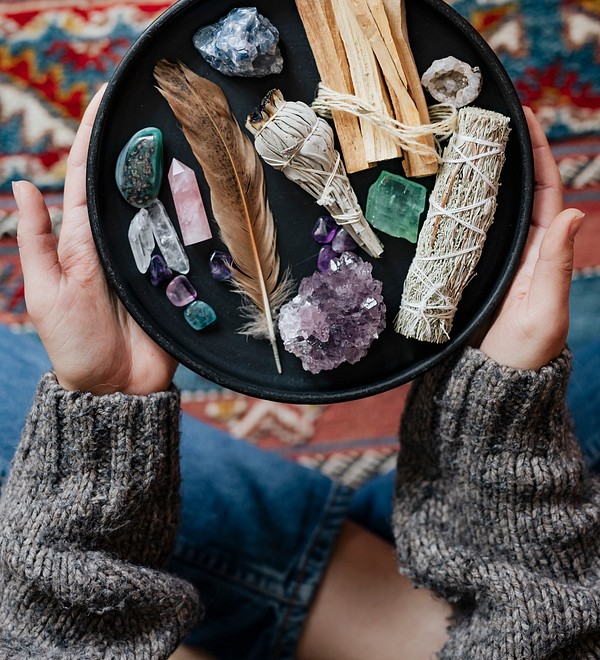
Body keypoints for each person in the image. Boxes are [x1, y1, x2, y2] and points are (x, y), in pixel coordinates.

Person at [0, 86, 598, 659]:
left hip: (372, 594)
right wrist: (500, 417)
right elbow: (548, 622)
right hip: (452, 602)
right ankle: (374, 551)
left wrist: (104, 402)